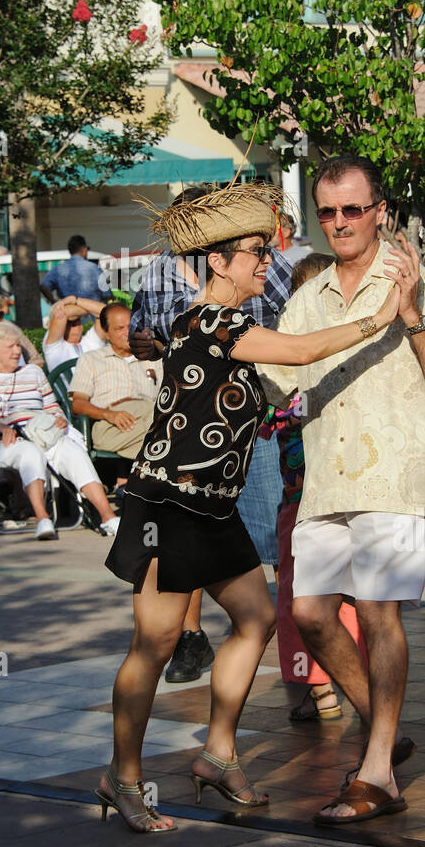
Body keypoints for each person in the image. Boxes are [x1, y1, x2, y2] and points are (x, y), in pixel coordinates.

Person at [98, 182, 403, 834]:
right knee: (153, 642)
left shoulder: (213, 326)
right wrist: (380, 318)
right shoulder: (216, 321)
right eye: (255, 251)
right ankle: (122, 779)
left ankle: (218, 755)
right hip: (170, 503)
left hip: (211, 507)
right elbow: (300, 351)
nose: (267, 260)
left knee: (256, 619)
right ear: (218, 261)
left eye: (267, 249)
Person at [257, 155, 425, 826]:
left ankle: (378, 770)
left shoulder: (419, 283)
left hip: (397, 476)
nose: (341, 223)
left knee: (379, 613)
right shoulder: (309, 297)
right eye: (328, 211)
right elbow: (271, 384)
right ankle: (386, 726)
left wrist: (409, 316)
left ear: (379, 210)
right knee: (313, 613)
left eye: (354, 209)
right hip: (327, 478)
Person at [129, 187, 295, 685]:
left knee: (264, 543)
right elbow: (143, 336)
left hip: (252, 424)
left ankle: (290, 664)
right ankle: (189, 637)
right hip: (186, 444)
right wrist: (147, 344)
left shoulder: (266, 263)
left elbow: (298, 329)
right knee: (157, 631)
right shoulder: (160, 273)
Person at [272, 252, 368, 723]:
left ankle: (312, 688)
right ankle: (342, 684)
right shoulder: (348, 354)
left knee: (298, 595)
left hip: (304, 501)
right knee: (344, 596)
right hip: (337, 497)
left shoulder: (287, 357)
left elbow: (276, 417)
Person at [0, 322, 119, 540]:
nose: (17, 351)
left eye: (17, 345)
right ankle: (42, 518)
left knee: (73, 452)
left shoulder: (33, 372)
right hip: (3, 441)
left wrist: (60, 420)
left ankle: (108, 517)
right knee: (29, 452)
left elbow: (53, 407)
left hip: (44, 433)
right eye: (10, 347)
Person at [69, 303, 161, 479]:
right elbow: (78, 404)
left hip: (148, 420)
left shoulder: (152, 358)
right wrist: (108, 414)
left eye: (131, 326)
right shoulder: (91, 360)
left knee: (163, 428)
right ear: (106, 332)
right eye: (120, 328)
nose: (128, 332)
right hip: (112, 424)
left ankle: (129, 486)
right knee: (171, 433)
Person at [41, 236, 112, 306]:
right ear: (84, 250)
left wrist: (54, 302)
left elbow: (43, 287)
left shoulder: (58, 269)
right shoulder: (94, 268)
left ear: (70, 251)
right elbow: (106, 294)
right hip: (91, 314)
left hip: (67, 314)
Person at [42, 297, 107, 373]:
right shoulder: (53, 345)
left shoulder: (90, 340)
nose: (76, 326)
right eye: (69, 322)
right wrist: (92, 310)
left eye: (78, 321)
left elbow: (107, 311)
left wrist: (74, 300)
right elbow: (64, 312)